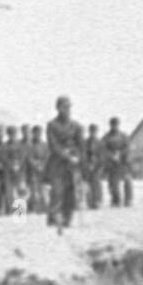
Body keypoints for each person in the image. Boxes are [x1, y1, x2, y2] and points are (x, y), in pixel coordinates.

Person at [45, 95, 84, 229]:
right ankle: (53, 219)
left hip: (72, 165)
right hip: (57, 164)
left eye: (68, 107)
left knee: (70, 192)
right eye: (63, 107)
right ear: (58, 108)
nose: (66, 110)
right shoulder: (52, 125)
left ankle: (67, 218)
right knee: (57, 191)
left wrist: (77, 157)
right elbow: (53, 145)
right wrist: (67, 156)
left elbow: (81, 145)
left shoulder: (77, 126)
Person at [102, 116, 133, 207]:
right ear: (110, 125)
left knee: (127, 180)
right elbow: (103, 149)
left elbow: (127, 147)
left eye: (116, 124)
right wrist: (111, 156)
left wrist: (120, 154)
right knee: (113, 183)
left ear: (118, 125)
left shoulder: (123, 136)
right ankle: (116, 200)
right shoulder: (106, 137)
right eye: (113, 124)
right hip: (112, 164)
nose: (114, 126)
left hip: (123, 162)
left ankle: (128, 200)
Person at [28, 125, 49, 214]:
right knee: (34, 190)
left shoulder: (45, 144)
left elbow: (47, 156)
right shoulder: (29, 145)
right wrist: (36, 165)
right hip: (33, 170)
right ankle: (36, 208)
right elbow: (29, 157)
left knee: (43, 189)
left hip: (43, 170)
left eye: (39, 133)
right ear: (33, 134)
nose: (38, 135)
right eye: (36, 133)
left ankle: (45, 207)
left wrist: (43, 165)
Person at [83, 124, 103, 209]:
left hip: (97, 166)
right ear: (89, 131)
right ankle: (90, 202)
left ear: (96, 132)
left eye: (94, 131)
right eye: (91, 131)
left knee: (96, 182)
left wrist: (97, 164)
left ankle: (97, 201)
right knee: (88, 183)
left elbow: (102, 155)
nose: (93, 133)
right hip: (87, 166)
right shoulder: (85, 143)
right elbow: (83, 155)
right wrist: (87, 164)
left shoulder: (100, 143)